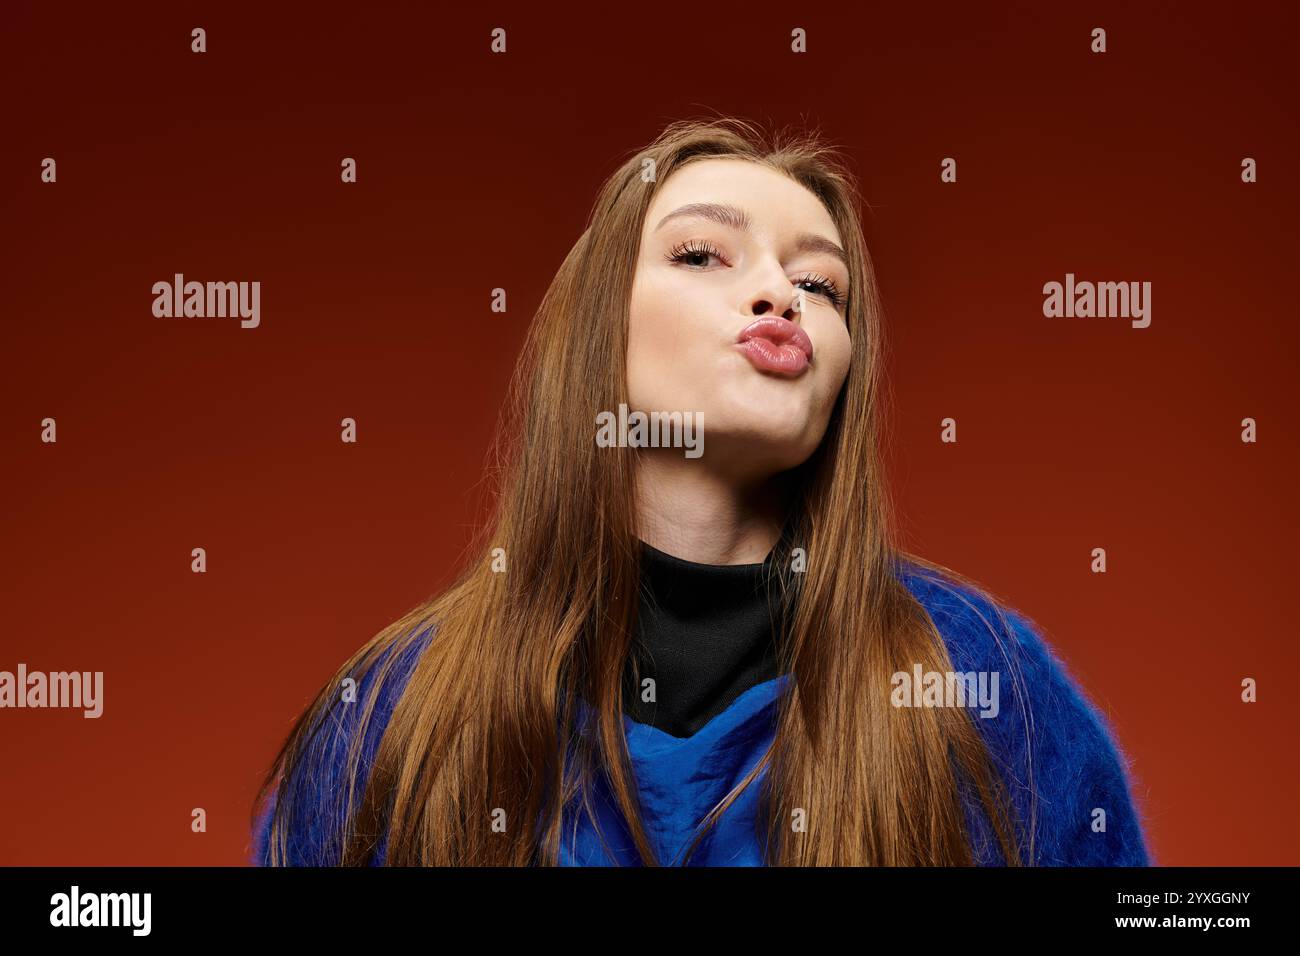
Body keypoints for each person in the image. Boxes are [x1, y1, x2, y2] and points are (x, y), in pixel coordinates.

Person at [251, 117, 1152, 867]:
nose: (779, 294)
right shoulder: (394, 712)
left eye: (819, 284)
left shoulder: (986, 684)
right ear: (597, 330)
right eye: (701, 253)